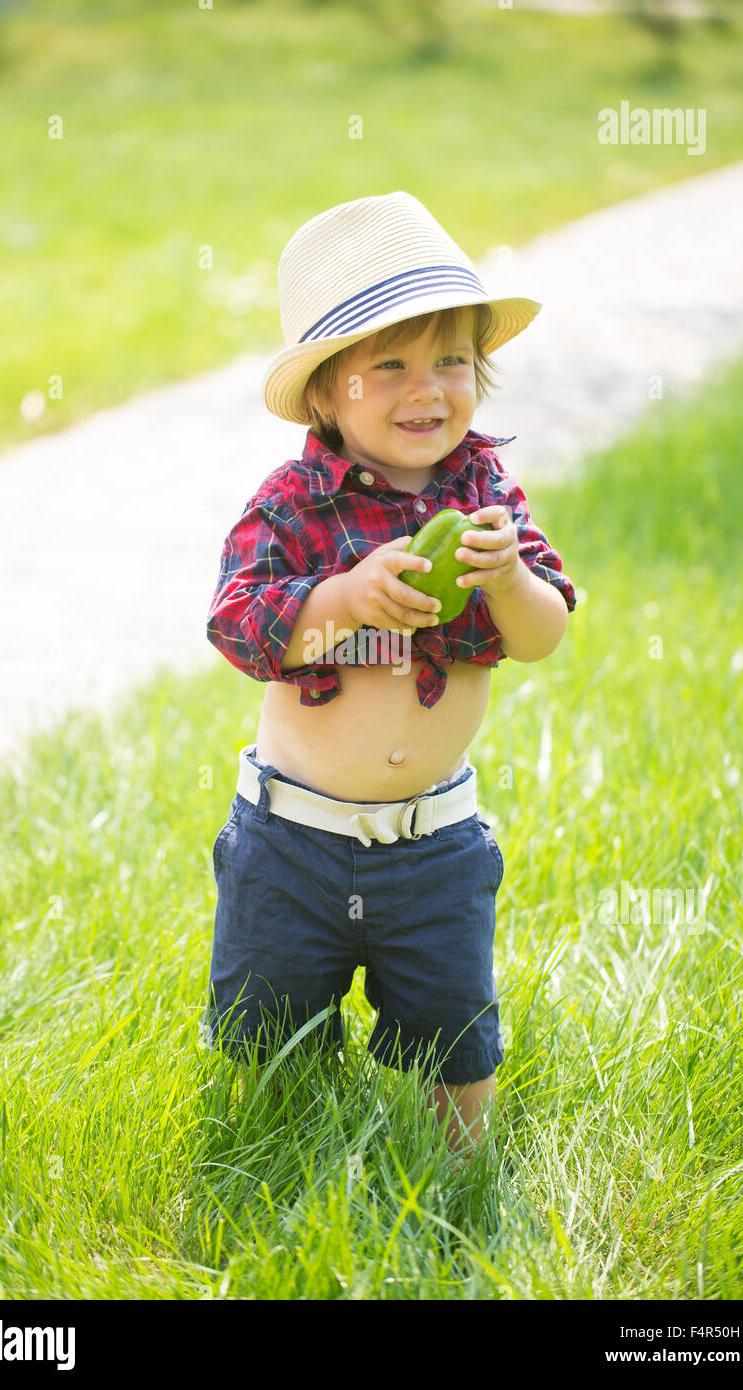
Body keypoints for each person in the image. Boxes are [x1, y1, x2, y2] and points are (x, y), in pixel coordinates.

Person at [201, 191, 577, 1158]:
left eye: (452, 359)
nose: (429, 388)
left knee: (454, 1032)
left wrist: (512, 580)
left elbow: (545, 634)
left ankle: (459, 1174)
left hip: (434, 845)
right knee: (267, 1042)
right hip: (293, 842)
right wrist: (341, 602)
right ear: (328, 392)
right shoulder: (291, 506)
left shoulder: (488, 496)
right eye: (392, 365)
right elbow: (239, 627)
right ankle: (271, 1161)